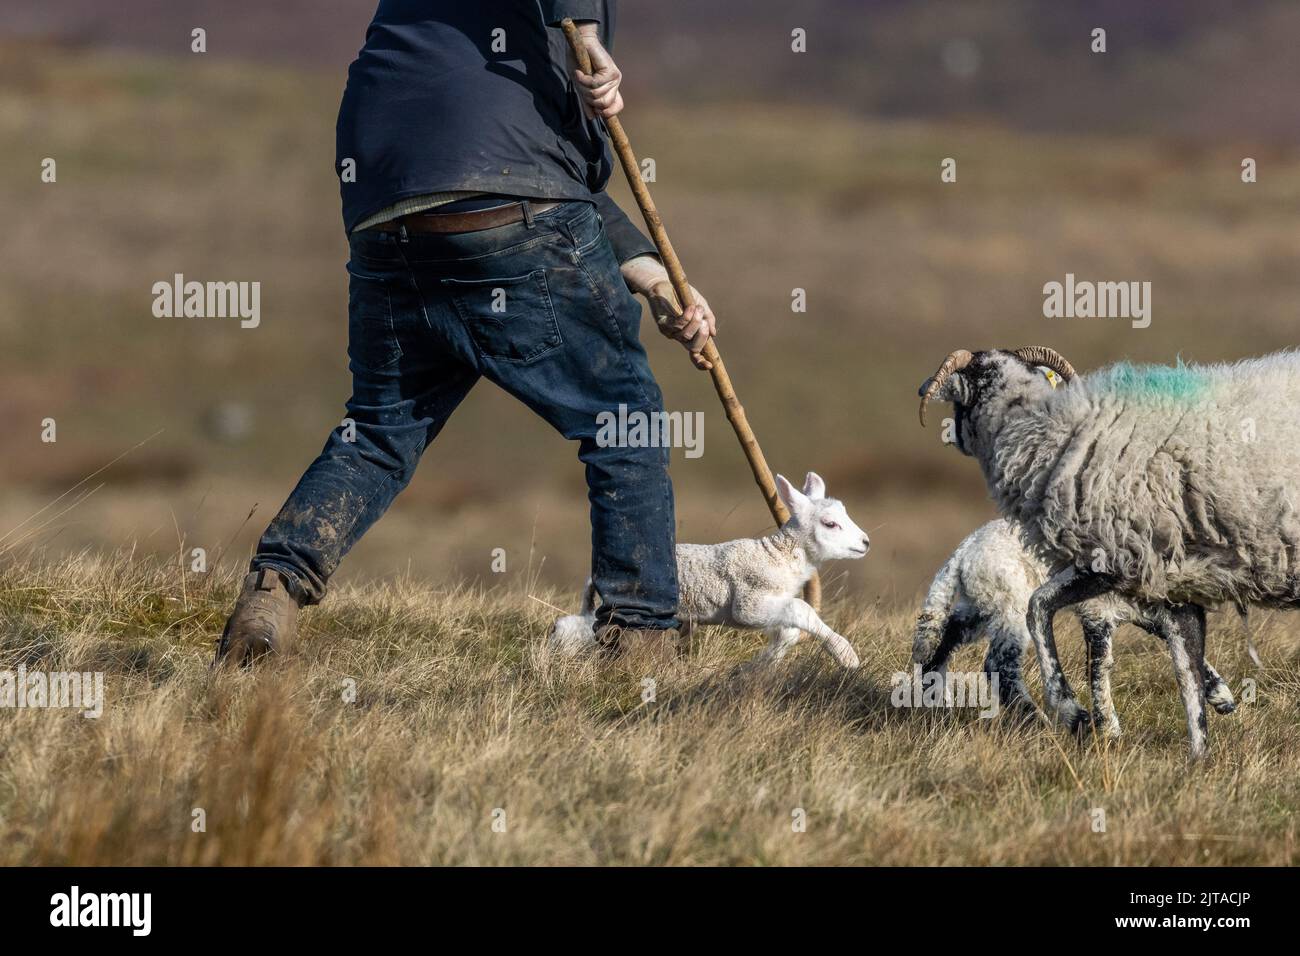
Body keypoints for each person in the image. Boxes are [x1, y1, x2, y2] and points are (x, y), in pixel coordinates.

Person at [215, 1, 715, 665]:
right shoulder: (572, 18)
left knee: (382, 429)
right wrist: (587, 30)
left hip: (389, 211)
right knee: (624, 416)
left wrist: (654, 281)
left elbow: (554, 170)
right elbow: (532, 173)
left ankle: (272, 592)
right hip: (508, 203)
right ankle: (643, 639)